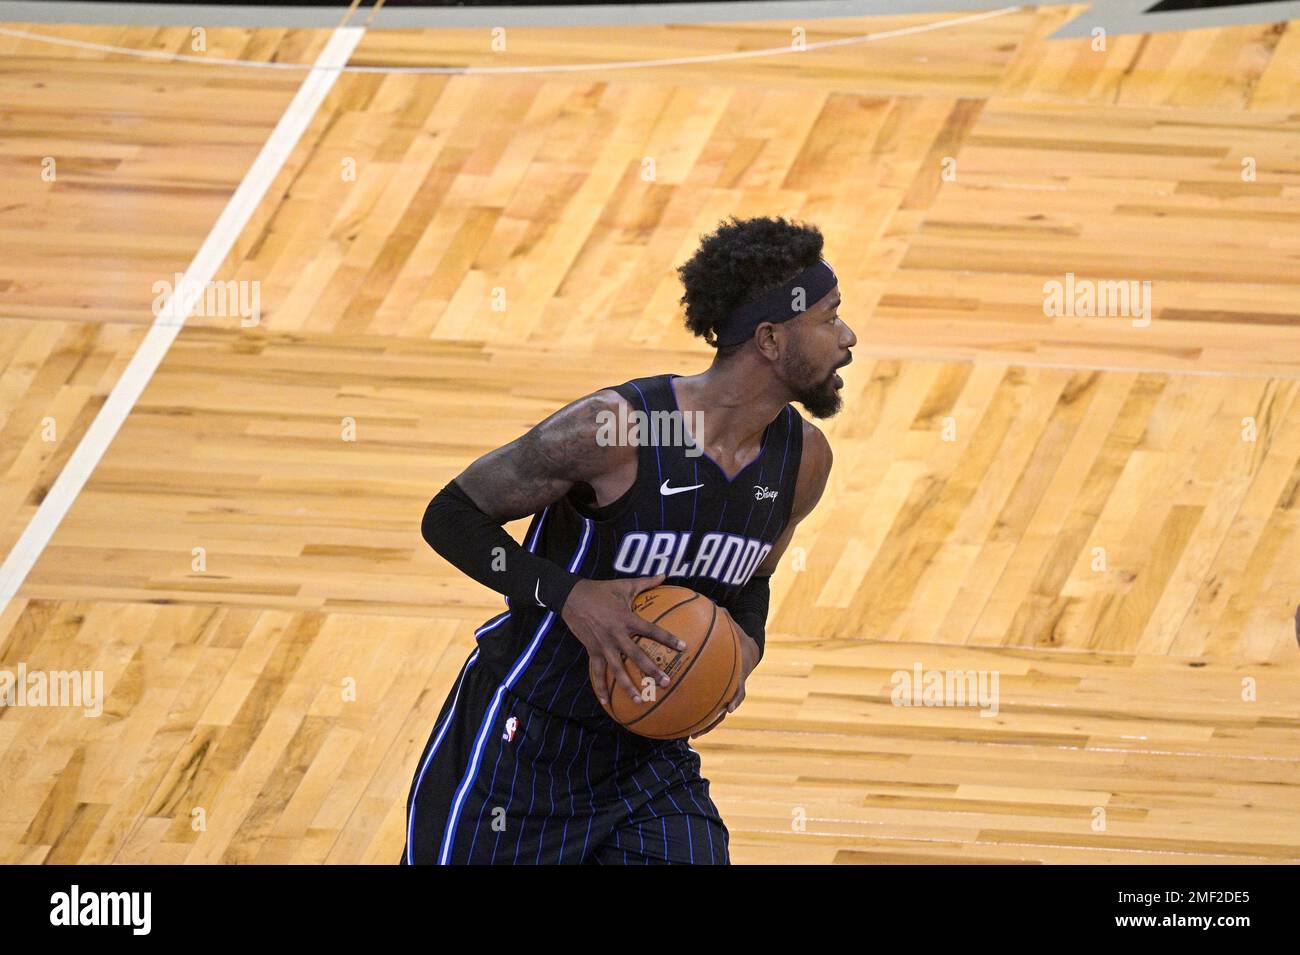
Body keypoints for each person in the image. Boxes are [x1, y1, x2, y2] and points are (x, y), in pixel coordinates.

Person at [402, 215, 855, 864]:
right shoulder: (614, 430)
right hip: (522, 743)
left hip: (647, 757)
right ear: (770, 338)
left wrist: (744, 648)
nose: (847, 337)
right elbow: (450, 515)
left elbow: (753, 578)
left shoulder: (803, 459)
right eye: (830, 317)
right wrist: (569, 595)